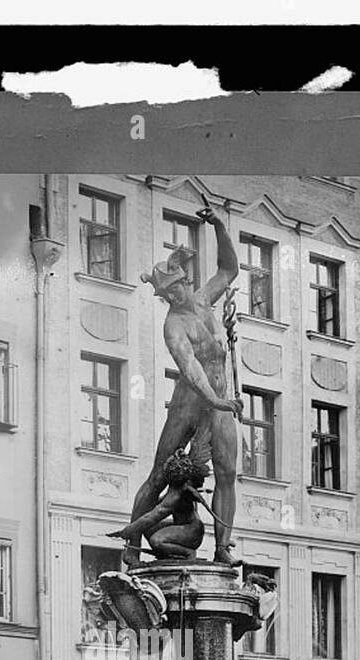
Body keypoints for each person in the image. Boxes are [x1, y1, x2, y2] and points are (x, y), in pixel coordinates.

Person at [123, 204, 243, 568]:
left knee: (226, 473)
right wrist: (219, 403)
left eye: (176, 289)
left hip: (219, 402)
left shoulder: (206, 301)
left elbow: (229, 269)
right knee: (159, 475)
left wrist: (220, 226)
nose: (174, 297)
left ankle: (222, 547)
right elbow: (191, 370)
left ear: (186, 281)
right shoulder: (173, 326)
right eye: (166, 295)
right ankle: (130, 546)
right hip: (189, 404)